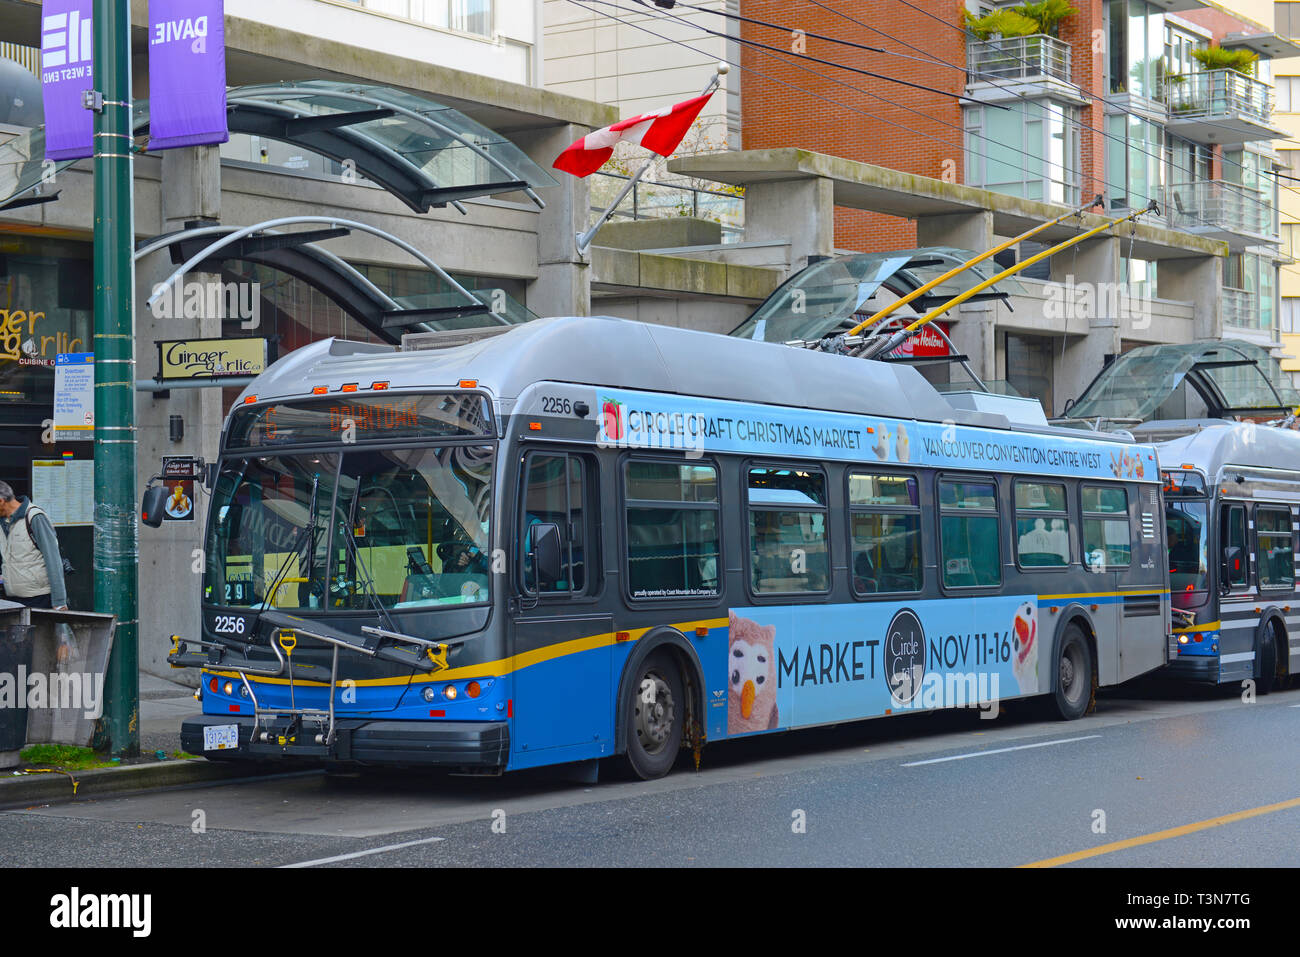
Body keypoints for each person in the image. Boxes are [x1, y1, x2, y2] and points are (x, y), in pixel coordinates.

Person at [0, 480, 69, 610]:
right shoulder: (3, 522)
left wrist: (59, 601)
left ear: (1, 501)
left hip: (39, 598)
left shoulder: (34, 517)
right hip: (11, 598)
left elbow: (53, 559)